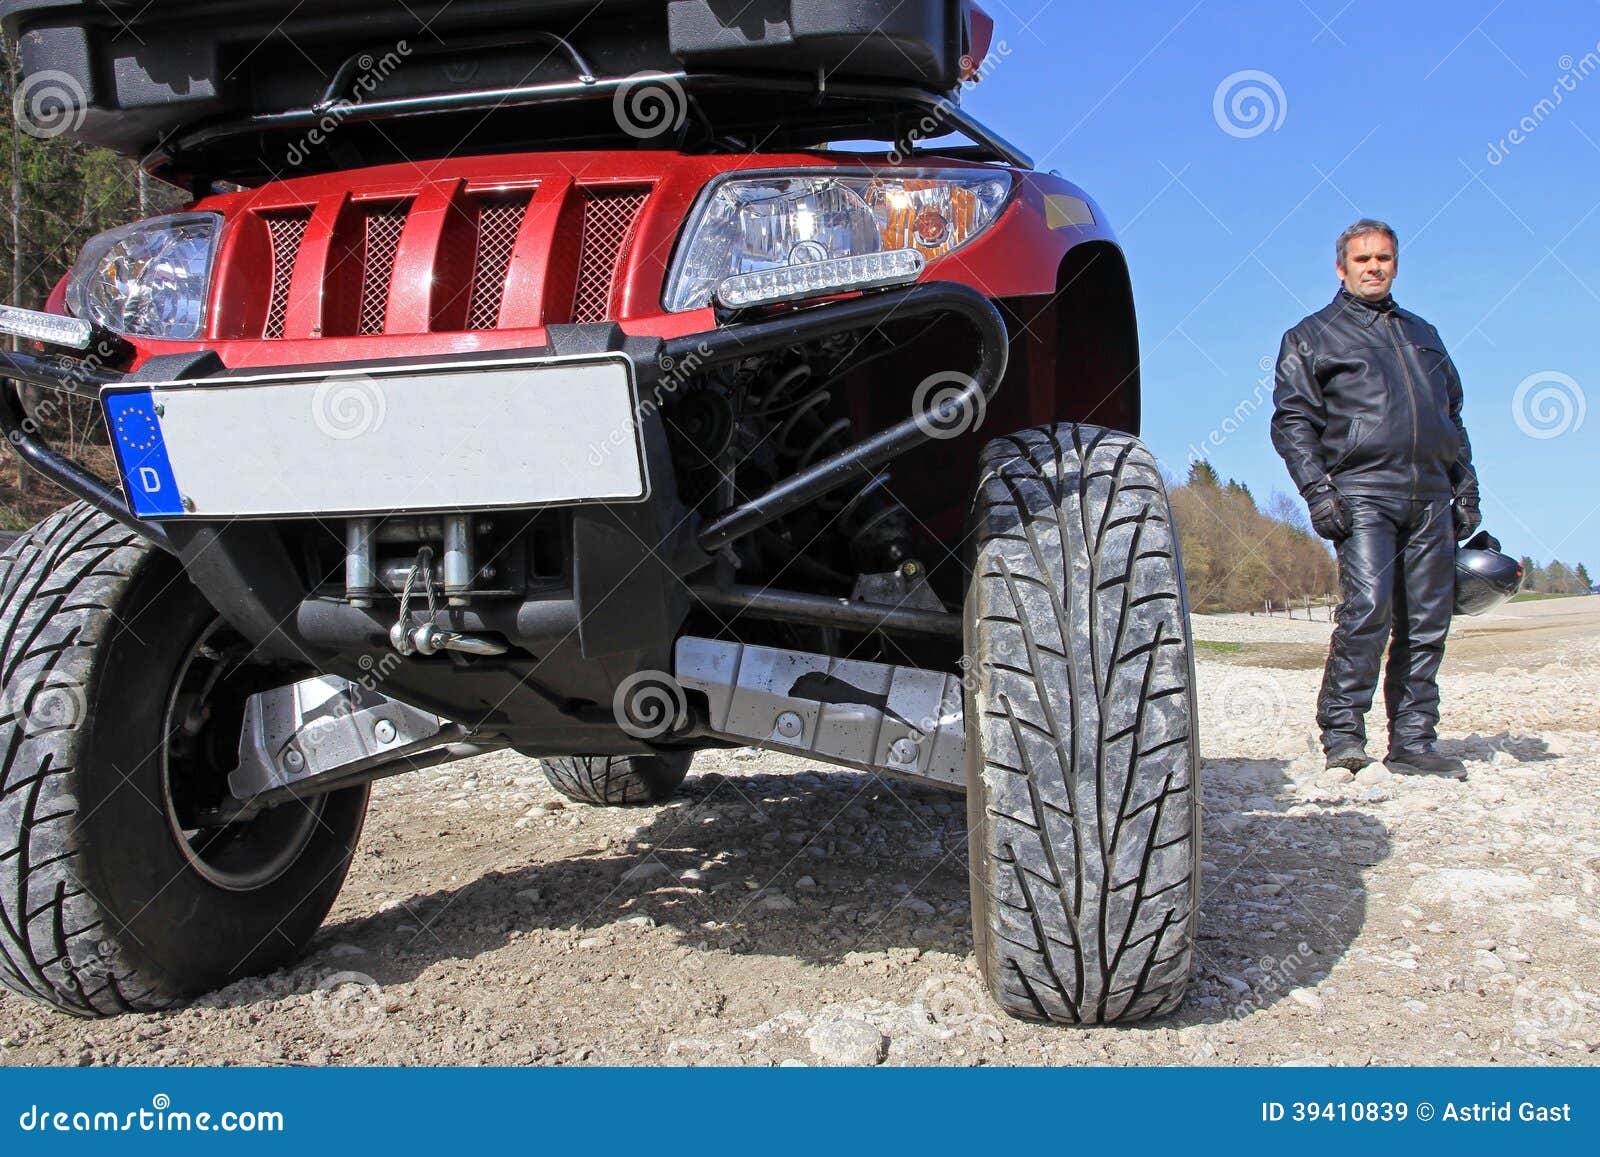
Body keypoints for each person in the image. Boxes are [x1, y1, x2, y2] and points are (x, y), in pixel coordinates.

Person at [1270, 219, 1479, 777]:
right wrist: (1318, 492)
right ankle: (1343, 734)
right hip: (1362, 493)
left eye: (1383, 258)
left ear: (1395, 264)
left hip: (1432, 494)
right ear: (1342, 268)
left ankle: (1413, 740)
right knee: (1368, 612)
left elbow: (1450, 417)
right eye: (1362, 259)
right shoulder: (1312, 336)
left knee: (1428, 620)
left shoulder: (1424, 334)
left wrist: (1466, 487)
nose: (1373, 268)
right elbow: (1291, 423)